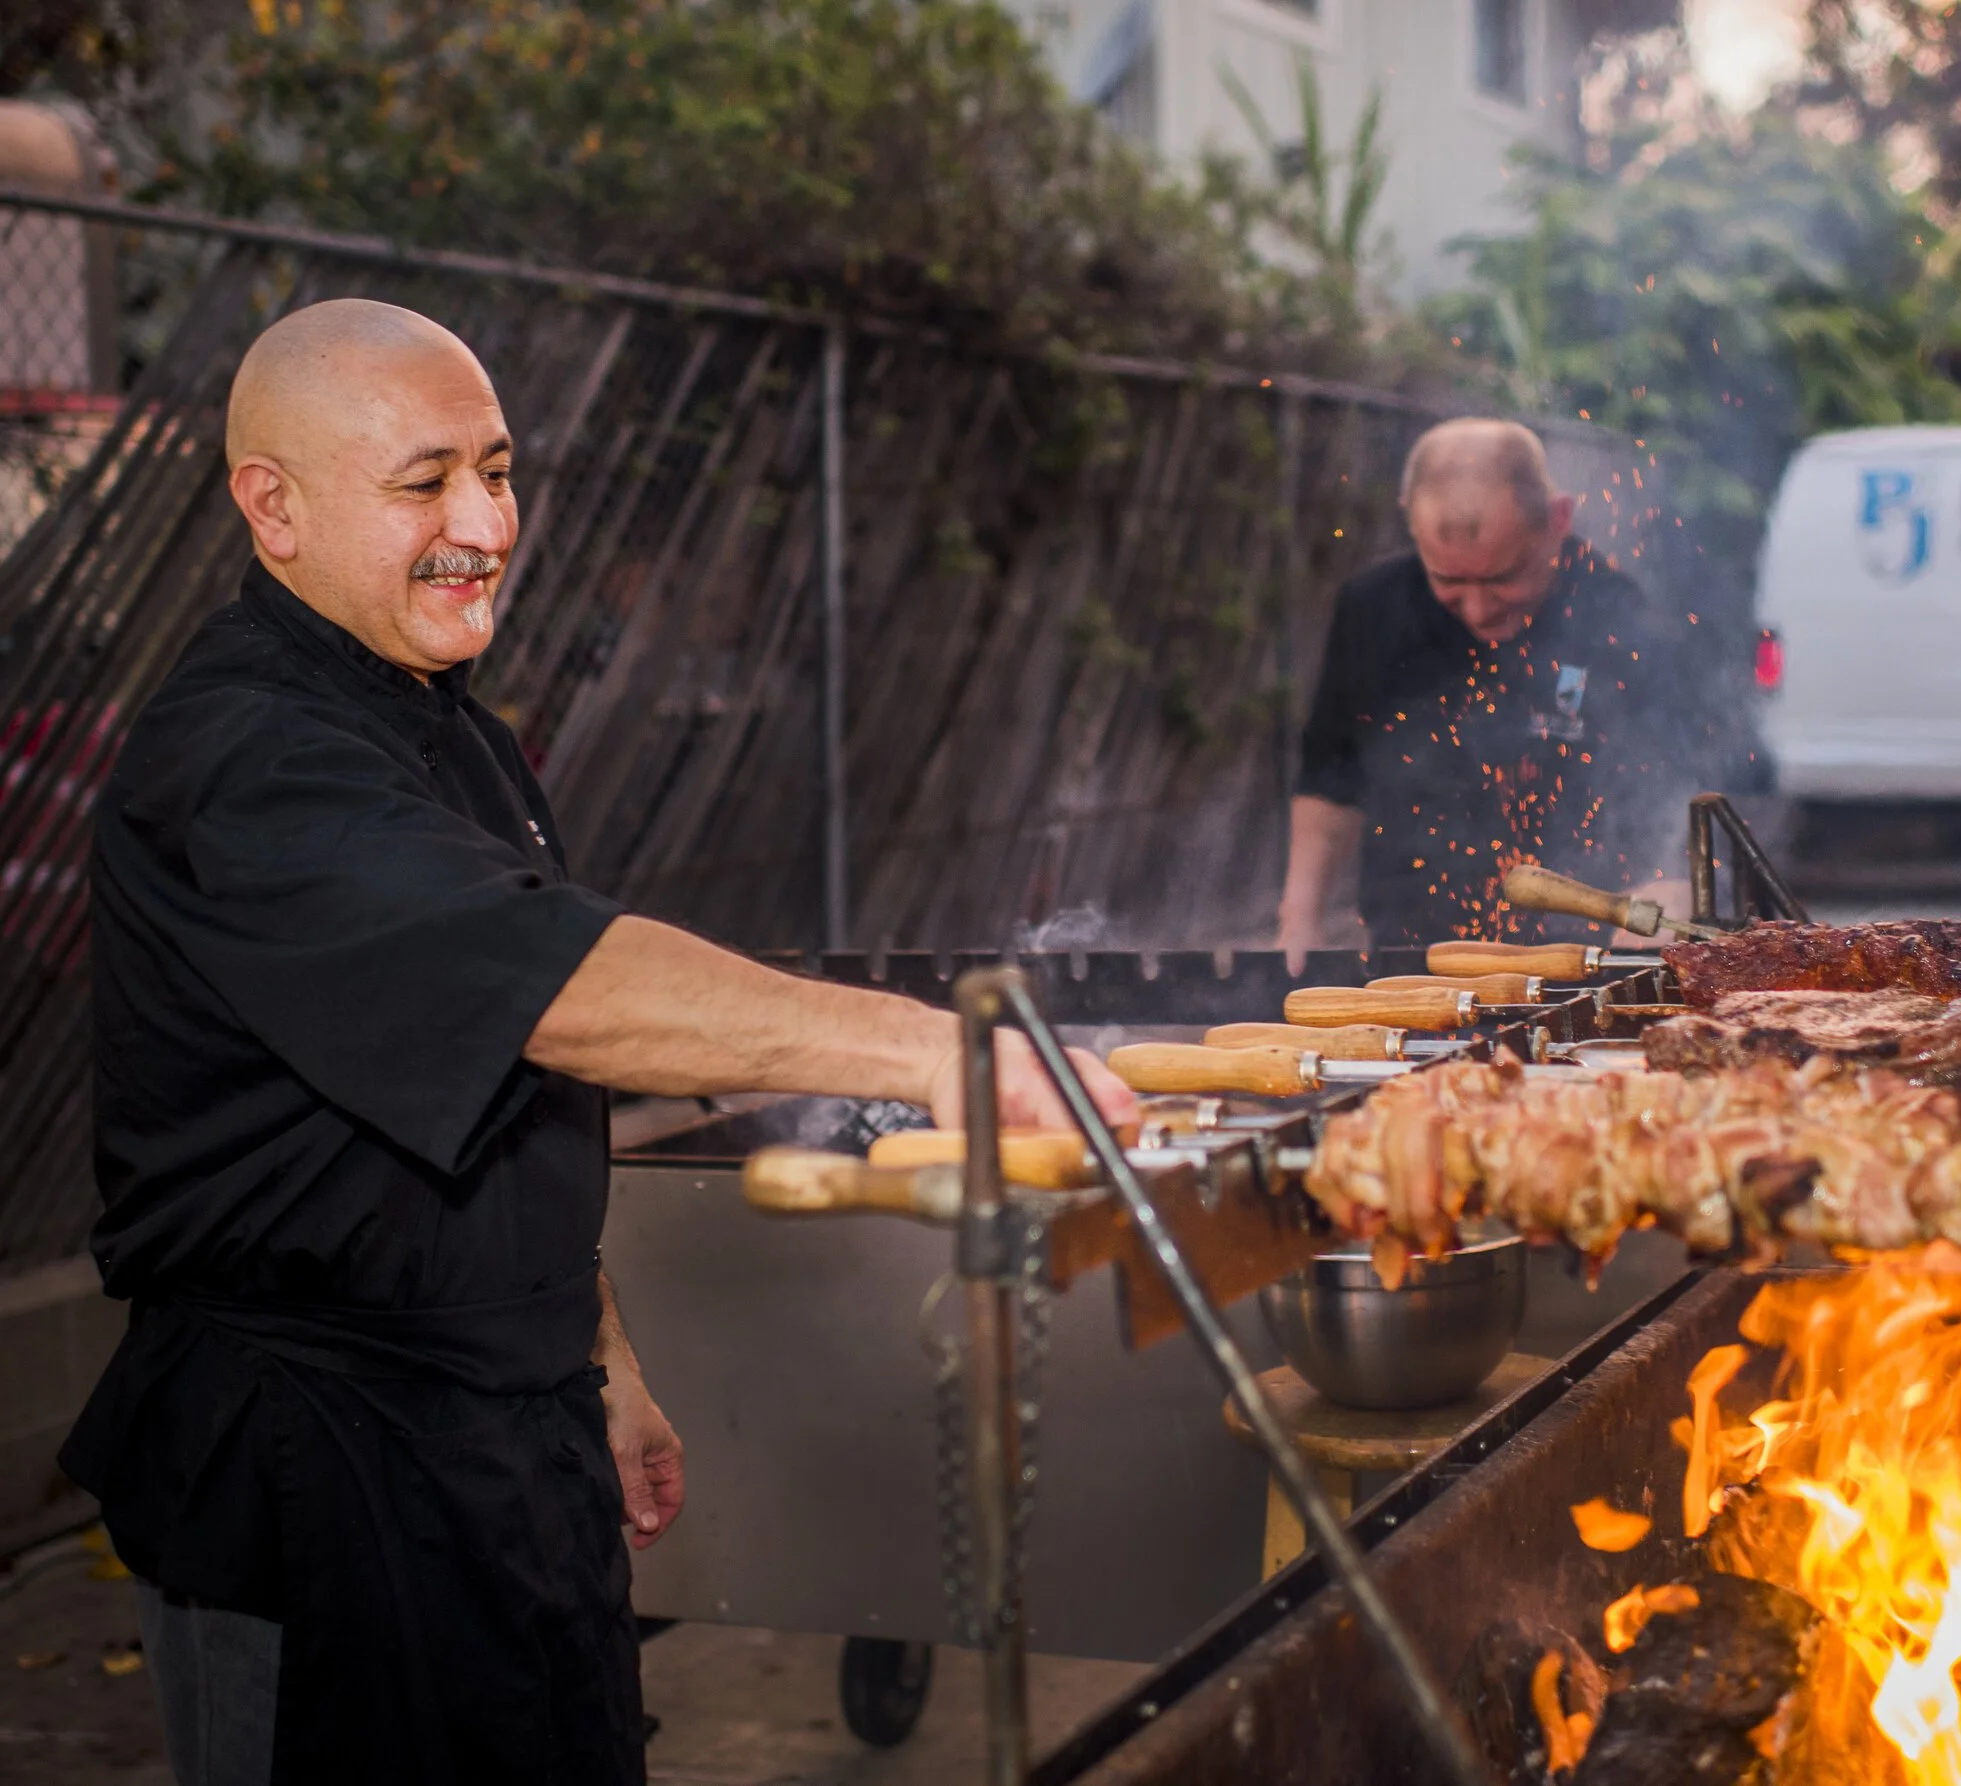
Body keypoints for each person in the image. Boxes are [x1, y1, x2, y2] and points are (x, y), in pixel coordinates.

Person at [59, 298, 1137, 1786]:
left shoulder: (448, 727)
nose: (486, 524)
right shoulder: (247, 757)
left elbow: (497, 1088)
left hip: (509, 1450)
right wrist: (947, 1058)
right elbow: (558, 990)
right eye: (425, 481)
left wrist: (598, 1345)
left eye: (499, 470)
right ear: (274, 506)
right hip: (325, 1487)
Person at [1276, 417, 1699, 958]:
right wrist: (1300, 915)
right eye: (1448, 580)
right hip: (1410, 956)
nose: (1477, 610)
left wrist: (1668, 881)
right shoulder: (1371, 609)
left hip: (1573, 958)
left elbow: (1668, 786)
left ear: (1558, 520)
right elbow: (1331, 775)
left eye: (1503, 578)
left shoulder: (1623, 622)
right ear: (1410, 522)